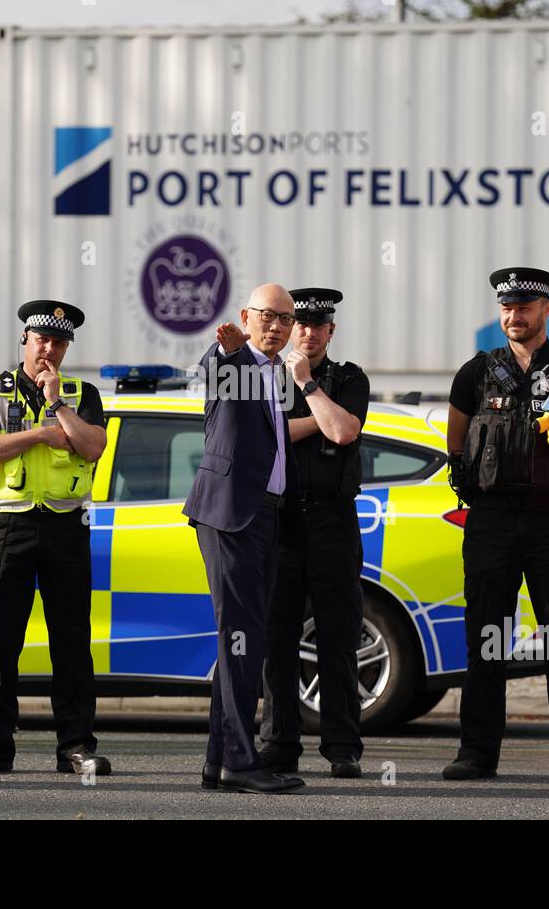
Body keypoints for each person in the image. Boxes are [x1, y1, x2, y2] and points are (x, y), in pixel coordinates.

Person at [443, 267, 549, 784]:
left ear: (547, 309)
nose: (514, 316)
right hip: (490, 521)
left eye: (525, 307)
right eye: (507, 307)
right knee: (487, 637)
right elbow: (457, 443)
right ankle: (477, 753)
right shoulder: (475, 373)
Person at [0, 300, 110, 777]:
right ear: (24, 340)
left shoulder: (81, 393)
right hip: (9, 526)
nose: (50, 349)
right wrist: (42, 437)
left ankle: (76, 747)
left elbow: (93, 446)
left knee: (71, 641)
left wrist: (57, 404)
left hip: (66, 526)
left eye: (60, 342)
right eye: (42, 339)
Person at [184, 283, 305, 795]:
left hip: (266, 517)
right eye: (267, 316)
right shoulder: (231, 361)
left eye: (285, 318)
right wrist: (230, 349)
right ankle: (238, 757)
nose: (277, 325)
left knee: (244, 639)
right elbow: (213, 378)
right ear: (245, 317)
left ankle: (221, 760)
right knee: (240, 638)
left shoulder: (277, 373)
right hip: (233, 515)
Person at [259, 287, 369, 779]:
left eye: (315, 325)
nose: (305, 332)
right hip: (280, 522)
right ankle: (278, 745)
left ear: (330, 330)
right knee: (276, 639)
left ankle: (342, 747)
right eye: (297, 323)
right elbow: (266, 436)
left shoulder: (349, 379)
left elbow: (344, 431)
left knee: (338, 638)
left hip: (332, 522)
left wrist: (308, 388)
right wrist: (316, 420)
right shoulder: (262, 377)